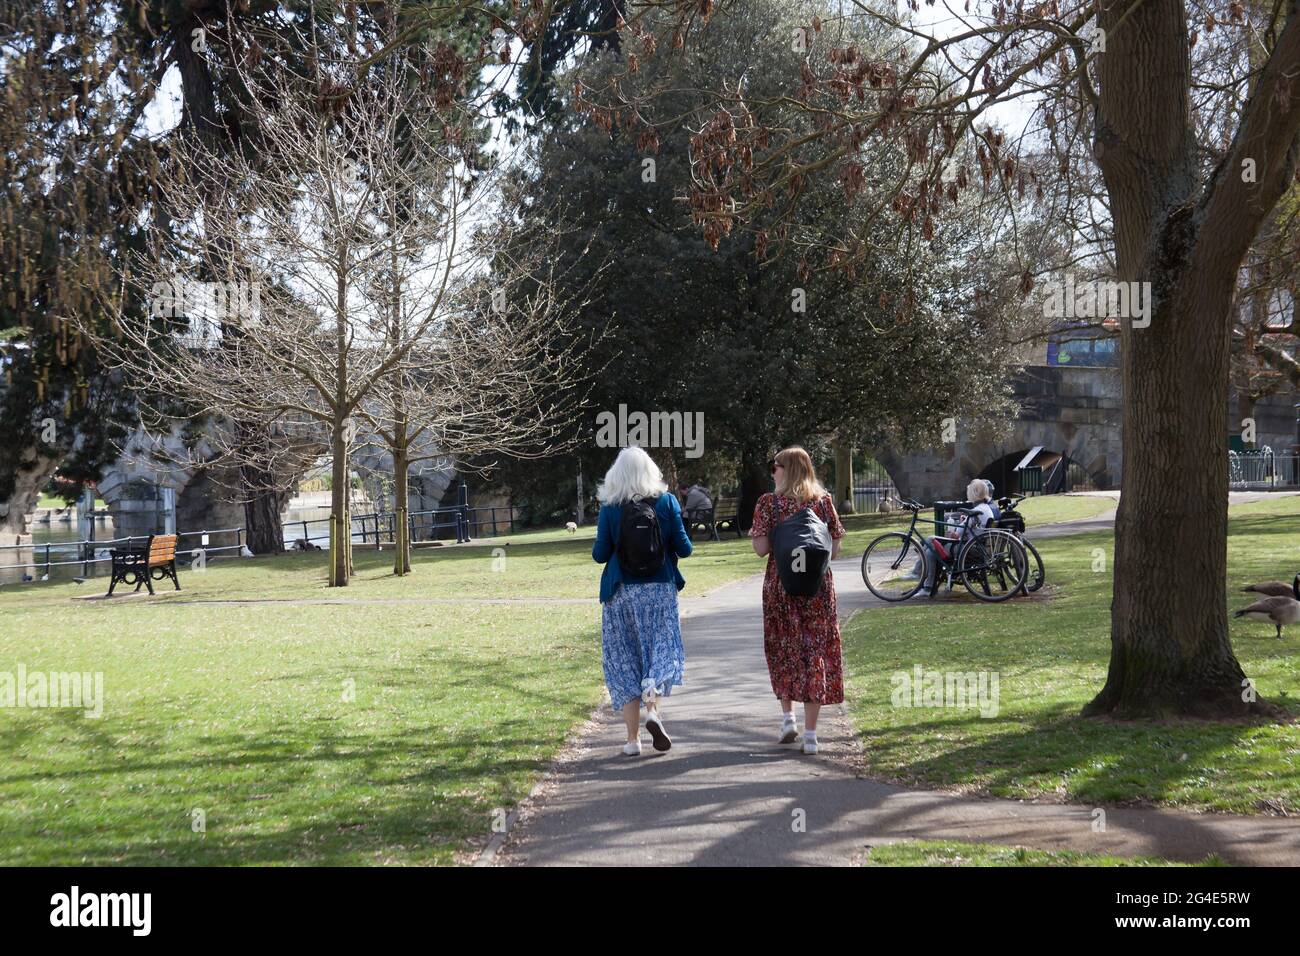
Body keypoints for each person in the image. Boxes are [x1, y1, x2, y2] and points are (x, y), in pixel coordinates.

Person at [593, 447, 694, 756]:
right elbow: (685, 548)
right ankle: (652, 709)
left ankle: (632, 741)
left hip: (620, 593)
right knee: (658, 652)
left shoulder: (610, 507)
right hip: (659, 591)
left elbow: (599, 554)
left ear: (616, 475)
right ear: (651, 472)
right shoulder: (667, 502)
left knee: (624, 660)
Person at [749, 446, 846, 755]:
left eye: (775, 467)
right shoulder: (824, 502)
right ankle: (812, 735)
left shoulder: (768, 503)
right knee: (814, 653)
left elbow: (760, 549)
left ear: (787, 470)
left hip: (781, 588)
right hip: (817, 589)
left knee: (784, 649)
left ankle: (788, 718)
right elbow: (834, 551)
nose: (772, 472)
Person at [920, 478, 998, 596]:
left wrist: (952, 532)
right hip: (980, 548)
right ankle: (926, 585)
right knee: (930, 549)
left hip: (968, 550)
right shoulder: (986, 509)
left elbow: (957, 534)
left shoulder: (976, 511)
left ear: (973, 493)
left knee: (930, 546)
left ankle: (924, 583)